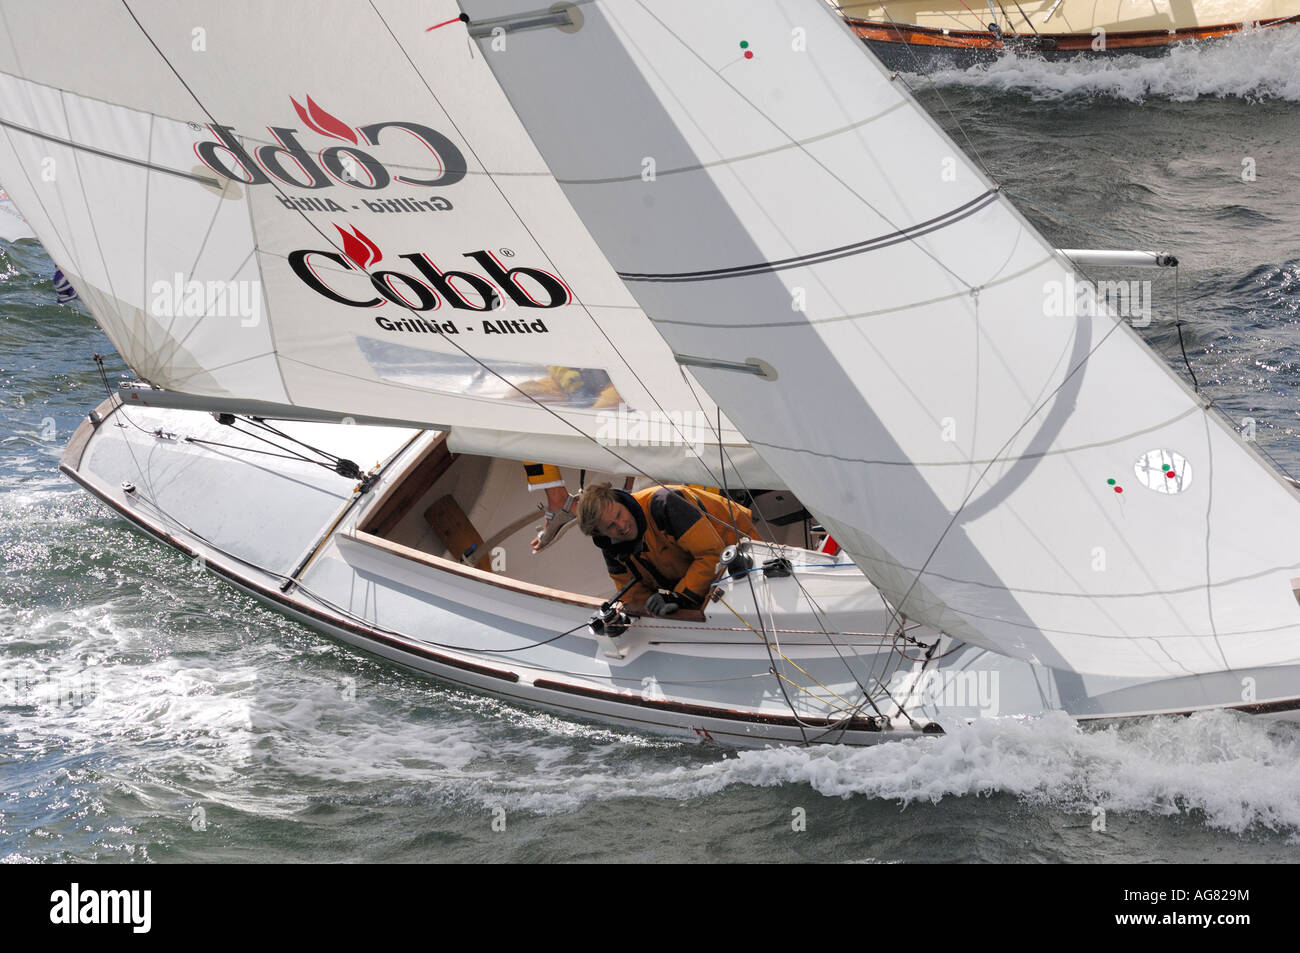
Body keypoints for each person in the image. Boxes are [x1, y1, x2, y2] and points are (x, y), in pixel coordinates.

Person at [576, 482, 757, 617]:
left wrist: (679, 597)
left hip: (737, 548)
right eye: (611, 526)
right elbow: (633, 595)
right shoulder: (612, 546)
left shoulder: (664, 503)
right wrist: (654, 610)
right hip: (691, 576)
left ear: (621, 502)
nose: (622, 526)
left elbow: (712, 554)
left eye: (619, 514)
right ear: (600, 533)